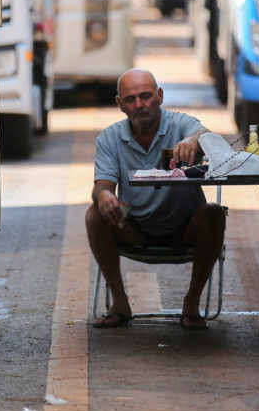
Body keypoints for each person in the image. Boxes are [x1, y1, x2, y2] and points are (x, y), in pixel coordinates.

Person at [86, 68, 228, 330]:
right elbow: (102, 186)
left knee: (214, 213)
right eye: (131, 99)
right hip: (135, 230)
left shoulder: (179, 123)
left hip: (184, 229)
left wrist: (193, 140)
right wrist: (105, 196)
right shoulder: (110, 137)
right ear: (120, 104)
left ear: (160, 96)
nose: (140, 105)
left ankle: (192, 303)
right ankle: (119, 302)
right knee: (94, 214)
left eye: (146, 96)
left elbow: (205, 133)